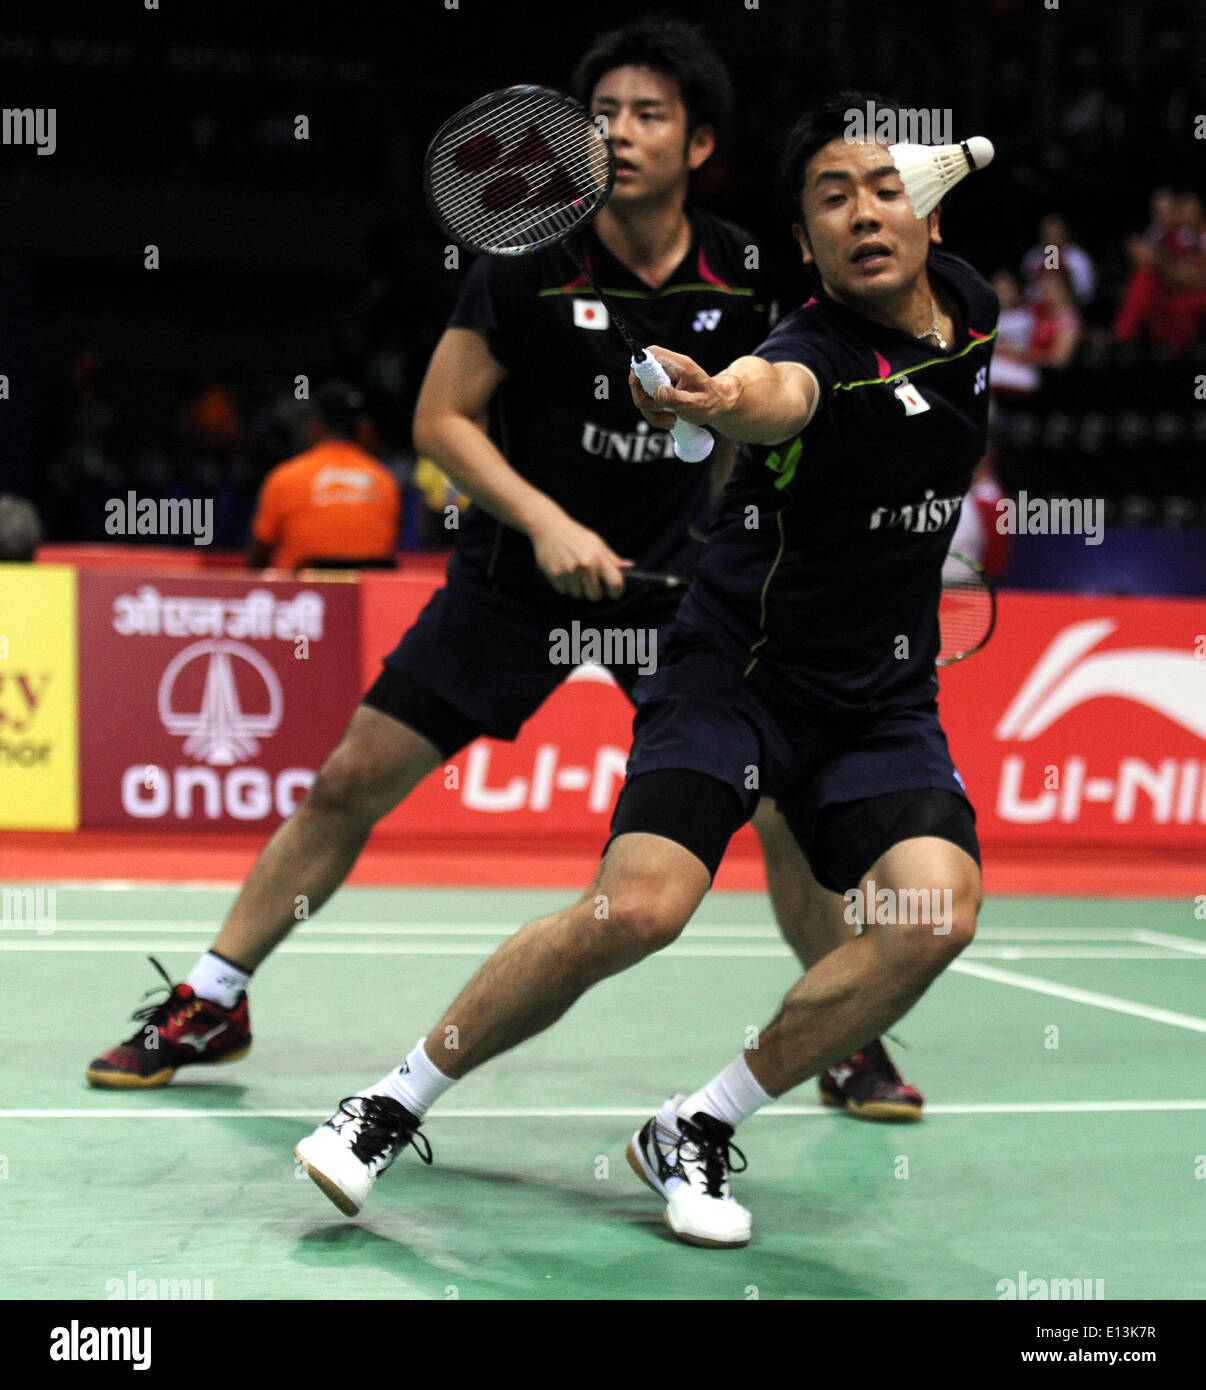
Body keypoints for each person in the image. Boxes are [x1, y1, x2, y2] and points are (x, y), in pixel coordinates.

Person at [86, 30, 921, 1121]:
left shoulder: (747, 276)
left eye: (650, 113)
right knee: (351, 778)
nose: (619, 131)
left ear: (701, 142)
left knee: (777, 814)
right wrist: (544, 523)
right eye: (604, 111)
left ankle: (843, 1038)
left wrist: (741, 536)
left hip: (677, 601)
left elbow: (762, 429)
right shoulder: (529, 256)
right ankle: (213, 996)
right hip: (514, 583)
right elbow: (441, 416)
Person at [293, 92, 995, 1247]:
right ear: (807, 243)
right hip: (737, 680)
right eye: (830, 198)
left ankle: (698, 1125)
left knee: (937, 916)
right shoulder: (805, 352)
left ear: (921, 209)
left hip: (878, 701)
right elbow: (770, 399)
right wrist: (715, 398)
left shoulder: (972, 302)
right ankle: (390, 1100)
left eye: (881, 188)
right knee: (640, 908)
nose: (861, 213)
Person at [245, 381, 400, 571]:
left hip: (305, 596)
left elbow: (257, 560)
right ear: (362, 429)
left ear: (316, 424)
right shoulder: (385, 480)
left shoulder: (285, 477)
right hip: (370, 596)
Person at [1021, 214, 1095, 306]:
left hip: (1071, 308)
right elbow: (1026, 289)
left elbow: (1086, 291)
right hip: (1036, 310)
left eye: (1055, 232)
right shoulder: (1033, 257)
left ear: (1064, 233)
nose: (1051, 237)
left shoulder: (1078, 258)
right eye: (1047, 234)